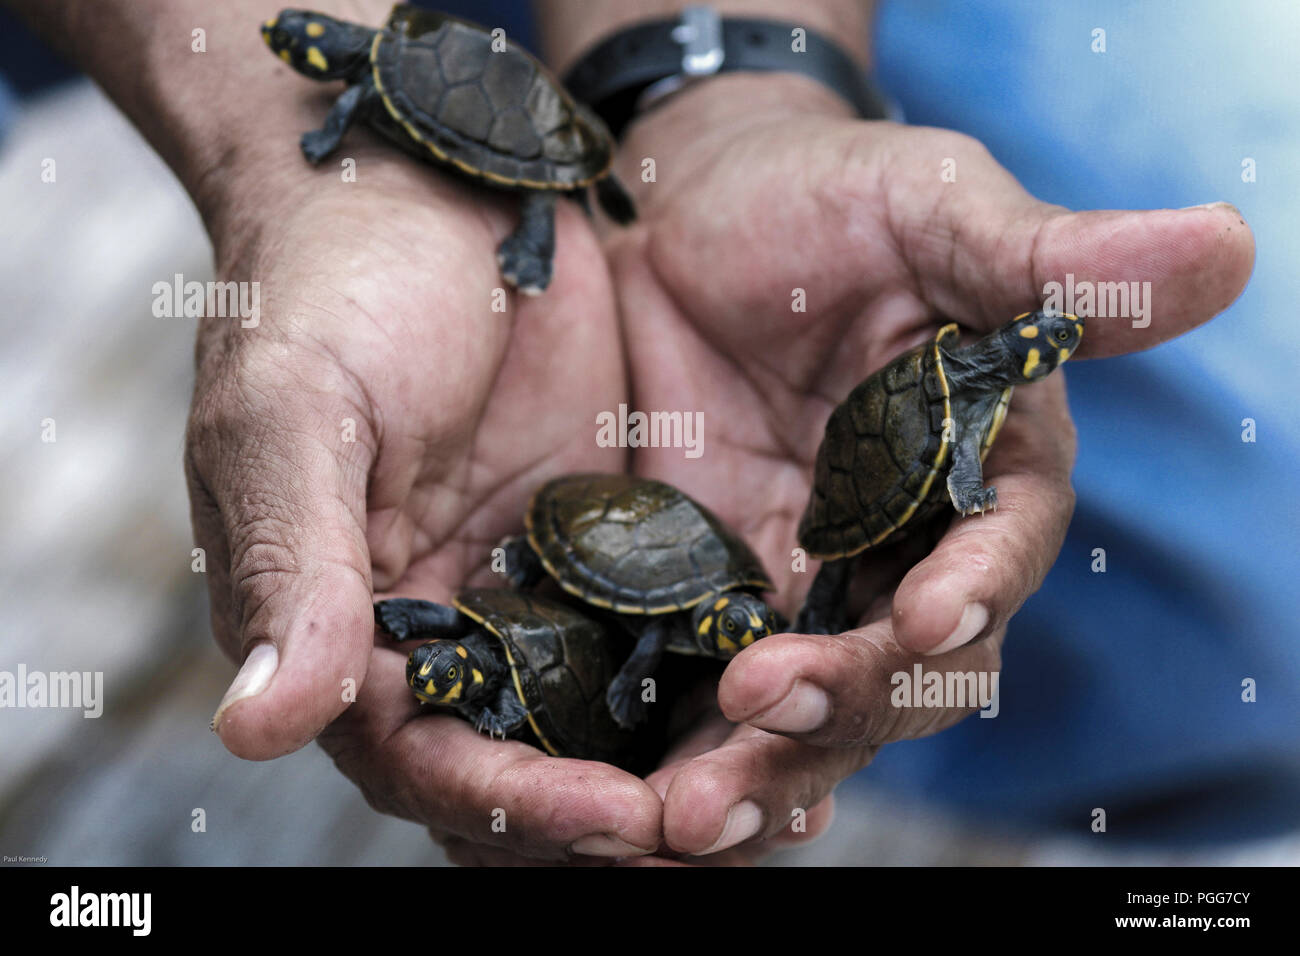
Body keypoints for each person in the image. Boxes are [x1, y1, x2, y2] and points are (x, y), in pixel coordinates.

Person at [6, 0, 1255, 865]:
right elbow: (295, 82)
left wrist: (725, 90)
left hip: (527, 81)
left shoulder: (692, 590)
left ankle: (856, 745)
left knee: (1259, 552)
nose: (443, 671)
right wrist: (279, 163)